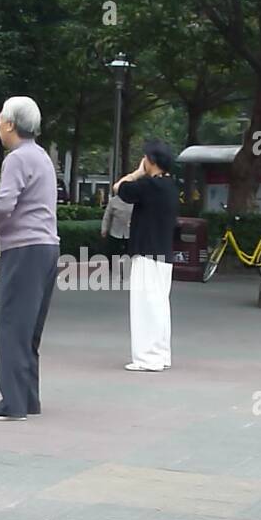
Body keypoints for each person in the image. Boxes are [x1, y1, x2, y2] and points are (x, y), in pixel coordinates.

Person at [0, 96, 60, 421]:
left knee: (11, 325)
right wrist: (4, 231)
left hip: (24, 252)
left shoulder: (17, 158)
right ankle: (28, 399)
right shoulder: (42, 157)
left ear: (9, 124)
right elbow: (34, 207)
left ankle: (12, 404)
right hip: (46, 248)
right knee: (29, 328)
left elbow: (5, 203)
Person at [113, 140, 178, 372]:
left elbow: (119, 188)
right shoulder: (171, 186)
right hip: (163, 255)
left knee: (144, 307)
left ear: (150, 160)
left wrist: (137, 173)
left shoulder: (148, 186)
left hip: (147, 254)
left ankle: (147, 358)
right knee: (159, 305)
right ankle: (160, 353)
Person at [101, 193, 133, 258]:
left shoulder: (133, 200)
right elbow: (107, 217)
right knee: (114, 255)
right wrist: (104, 229)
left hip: (130, 233)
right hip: (115, 233)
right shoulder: (113, 201)